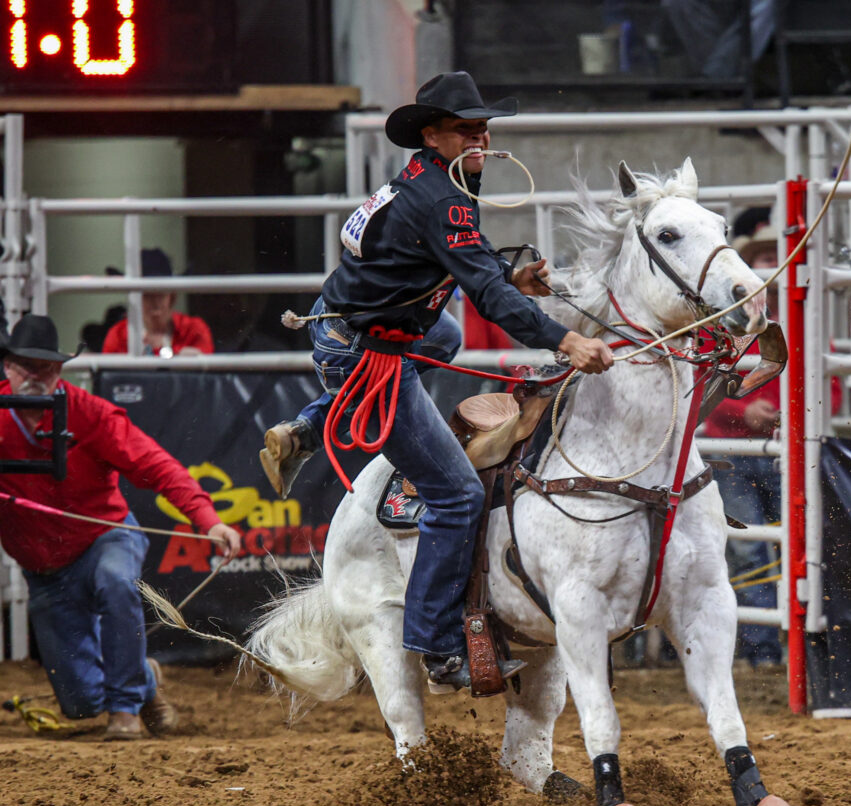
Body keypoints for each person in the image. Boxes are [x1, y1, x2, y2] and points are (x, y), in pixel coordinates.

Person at [257, 71, 611, 691]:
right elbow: (483, 290)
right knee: (456, 495)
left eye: (482, 129)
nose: (478, 138)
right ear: (432, 134)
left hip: (353, 327)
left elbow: (446, 259)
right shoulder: (444, 198)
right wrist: (565, 338)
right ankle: (440, 644)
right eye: (464, 129)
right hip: (367, 353)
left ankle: (310, 427)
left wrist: (503, 274)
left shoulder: (428, 183)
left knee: (445, 334)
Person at [0, 314, 242, 740]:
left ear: (60, 370)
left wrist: (208, 521)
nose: (35, 376)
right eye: (25, 366)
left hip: (105, 536)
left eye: (46, 367)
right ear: (7, 367)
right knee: (80, 704)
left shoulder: (88, 413)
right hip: (43, 570)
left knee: (116, 581)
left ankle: (126, 709)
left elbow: (157, 466)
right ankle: (144, 679)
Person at [703, 221, 784, 667]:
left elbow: (822, 385)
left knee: (779, 543)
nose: (770, 264)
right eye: (764, 257)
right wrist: (745, 412)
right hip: (731, 450)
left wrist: (784, 412)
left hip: (756, 447)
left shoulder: (793, 316)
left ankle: (770, 645)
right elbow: (705, 385)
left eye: (777, 257)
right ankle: (763, 647)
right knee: (752, 545)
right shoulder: (726, 321)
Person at [100, 248, 215, 357]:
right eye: (147, 295)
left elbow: (207, 371)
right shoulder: (118, 335)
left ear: (171, 295)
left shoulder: (193, 329)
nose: (155, 302)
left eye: (161, 293)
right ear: (135, 297)